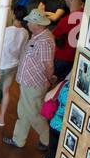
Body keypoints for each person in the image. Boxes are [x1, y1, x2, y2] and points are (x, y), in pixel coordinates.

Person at [4, 9, 55, 150]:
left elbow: (49, 65)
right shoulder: (37, 35)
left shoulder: (45, 40)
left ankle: (47, 141)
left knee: (34, 113)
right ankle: (18, 139)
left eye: (30, 21)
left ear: (37, 24)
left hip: (35, 83)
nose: (27, 23)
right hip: (27, 81)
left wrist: (49, 80)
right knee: (23, 111)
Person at [34, 75, 69, 158]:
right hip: (69, 130)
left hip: (55, 125)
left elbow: (47, 97)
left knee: (50, 155)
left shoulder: (65, 84)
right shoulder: (82, 93)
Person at [50, 0, 84, 81]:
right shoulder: (85, 15)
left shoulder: (67, 20)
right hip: (74, 57)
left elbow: (53, 36)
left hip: (61, 57)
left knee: (52, 82)